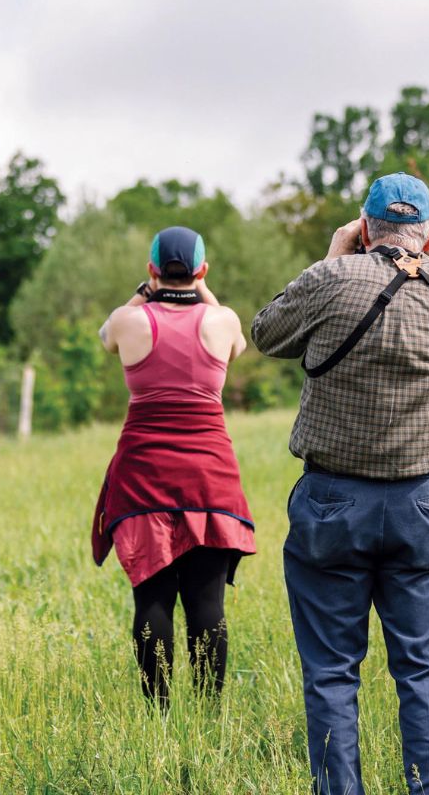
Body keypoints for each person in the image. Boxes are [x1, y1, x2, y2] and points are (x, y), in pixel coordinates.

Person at [253, 173, 429, 795]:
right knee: (423, 673)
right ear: (428, 232)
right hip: (420, 503)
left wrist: (332, 257)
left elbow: (267, 333)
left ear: (364, 227)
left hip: (331, 503)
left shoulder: (331, 278)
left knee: (331, 672)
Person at [92, 226, 256, 708]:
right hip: (210, 475)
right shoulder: (222, 320)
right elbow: (240, 346)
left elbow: (105, 337)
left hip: (143, 474)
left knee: (152, 600)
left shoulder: (129, 320)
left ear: (151, 270)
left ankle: (158, 719)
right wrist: (203, 289)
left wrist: (145, 293)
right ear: (202, 270)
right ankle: (208, 716)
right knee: (208, 605)